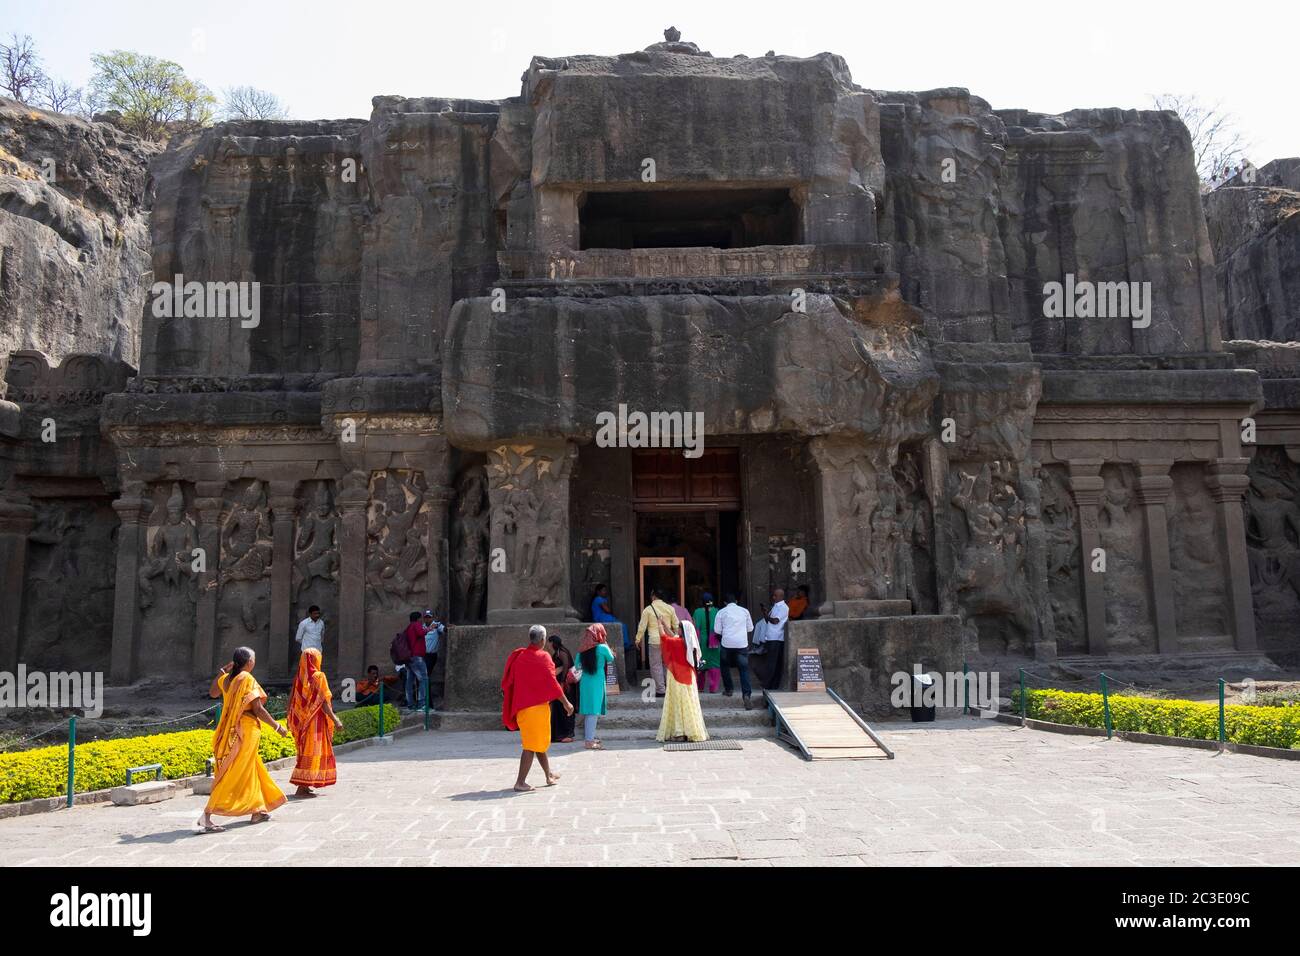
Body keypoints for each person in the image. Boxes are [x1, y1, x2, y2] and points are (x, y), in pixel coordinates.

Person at [198, 646, 289, 832]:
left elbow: (213, 692)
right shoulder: (246, 678)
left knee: (252, 768)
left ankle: (257, 809)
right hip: (245, 730)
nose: (254, 663)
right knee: (236, 771)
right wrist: (277, 726)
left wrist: (222, 671)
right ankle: (207, 814)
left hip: (230, 731)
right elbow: (258, 709)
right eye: (253, 660)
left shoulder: (227, 679)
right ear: (249, 662)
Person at [501, 625, 573, 792]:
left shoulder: (520, 656)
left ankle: (548, 775)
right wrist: (566, 702)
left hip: (524, 708)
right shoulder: (544, 657)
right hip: (535, 708)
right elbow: (552, 683)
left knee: (538, 743)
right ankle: (520, 782)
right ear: (542, 640)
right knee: (531, 746)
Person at [286, 647, 343, 797]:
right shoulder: (319, 677)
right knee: (313, 752)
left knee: (305, 751)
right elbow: (323, 702)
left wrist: (289, 717)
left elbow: (291, 699)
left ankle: (304, 785)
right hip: (315, 721)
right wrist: (335, 719)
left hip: (301, 721)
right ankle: (302, 786)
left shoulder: (299, 677)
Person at [656, 599, 708, 743]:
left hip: (676, 678)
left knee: (678, 704)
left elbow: (664, 637)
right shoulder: (687, 643)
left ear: (683, 631)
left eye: (679, 628)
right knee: (689, 704)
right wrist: (666, 625)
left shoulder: (677, 643)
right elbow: (672, 635)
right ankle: (691, 731)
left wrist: (659, 624)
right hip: (689, 678)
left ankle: (679, 732)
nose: (677, 630)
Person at [575, 622, 615, 749]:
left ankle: (590, 738)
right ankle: (589, 741)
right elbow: (611, 658)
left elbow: (577, 666)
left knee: (589, 711)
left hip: (585, 682)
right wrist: (605, 643)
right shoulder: (602, 648)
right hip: (597, 682)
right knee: (593, 712)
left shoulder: (582, 650)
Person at [713, 592, 755, 709]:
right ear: (736, 601)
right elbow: (750, 628)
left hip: (727, 644)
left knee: (724, 665)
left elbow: (717, 630)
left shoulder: (721, 612)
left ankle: (729, 689)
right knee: (744, 669)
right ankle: (746, 695)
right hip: (741, 644)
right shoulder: (744, 611)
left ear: (725, 603)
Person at [635, 588, 678, 695]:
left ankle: (660, 690)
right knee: (667, 664)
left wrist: (638, 639)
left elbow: (642, 626)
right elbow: (676, 625)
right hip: (668, 640)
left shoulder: (648, 609)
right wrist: (676, 637)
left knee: (656, 665)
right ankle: (670, 688)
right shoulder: (670, 608)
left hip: (654, 641)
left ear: (653, 596)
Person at [591, 584, 631, 683]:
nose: (605, 592)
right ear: (598, 592)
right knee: (622, 626)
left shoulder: (597, 599)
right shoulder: (599, 599)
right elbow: (607, 610)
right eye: (603, 590)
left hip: (601, 618)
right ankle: (626, 644)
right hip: (602, 618)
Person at [547, 634, 577, 743]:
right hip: (559, 686)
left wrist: (562, 682)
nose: (548, 645)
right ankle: (558, 734)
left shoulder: (562, 652)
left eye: (549, 642)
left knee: (566, 710)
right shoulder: (558, 652)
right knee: (558, 710)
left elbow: (565, 666)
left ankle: (568, 734)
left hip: (565, 687)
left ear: (553, 643)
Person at [761, 588, 790, 690]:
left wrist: (768, 617)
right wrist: (765, 613)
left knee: (772, 663)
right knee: (772, 662)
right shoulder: (775, 607)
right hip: (771, 637)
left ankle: (768, 684)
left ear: (781, 596)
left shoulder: (783, 607)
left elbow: (775, 621)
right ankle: (772, 684)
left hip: (776, 638)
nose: (773, 597)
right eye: (773, 595)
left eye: (775, 595)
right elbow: (768, 620)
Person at [693, 593, 721, 693]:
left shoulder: (697, 612)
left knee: (701, 664)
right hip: (715, 642)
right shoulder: (717, 611)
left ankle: (700, 688)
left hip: (702, 642)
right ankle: (713, 688)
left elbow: (696, 629)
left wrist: (695, 644)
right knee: (714, 664)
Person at [402, 611, 428, 711]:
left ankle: (410, 704)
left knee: (409, 681)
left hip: (409, 657)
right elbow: (421, 632)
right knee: (423, 679)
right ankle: (421, 704)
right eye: (421, 618)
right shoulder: (416, 625)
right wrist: (430, 628)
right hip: (417, 657)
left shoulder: (408, 627)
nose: (422, 621)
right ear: (418, 619)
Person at [422, 609, 445, 708]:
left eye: (429, 617)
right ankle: (424, 703)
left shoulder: (437, 625)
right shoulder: (421, 627)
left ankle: (428, 704)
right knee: (422, 678)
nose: (428, 619)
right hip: (421, 656)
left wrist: (448, 628)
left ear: (433, 617)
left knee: (425, 678)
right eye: (426, 617)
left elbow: (444, 630)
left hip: (431, 656)